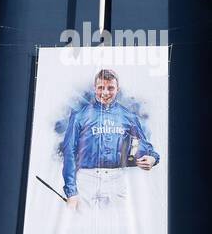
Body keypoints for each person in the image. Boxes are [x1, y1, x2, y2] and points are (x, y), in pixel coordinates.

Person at [61, 69, 159, 210]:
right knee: (82, 224)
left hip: (116, 178)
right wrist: (71, 192)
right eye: (101, 88)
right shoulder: (79, 116)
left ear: (117, 89)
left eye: (110, 88)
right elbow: (69, 152)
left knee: (118, 226)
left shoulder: (129, 117)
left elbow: (146, 148)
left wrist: (153, 159)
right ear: (94, 88)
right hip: (86, 179)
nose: (105, 93)